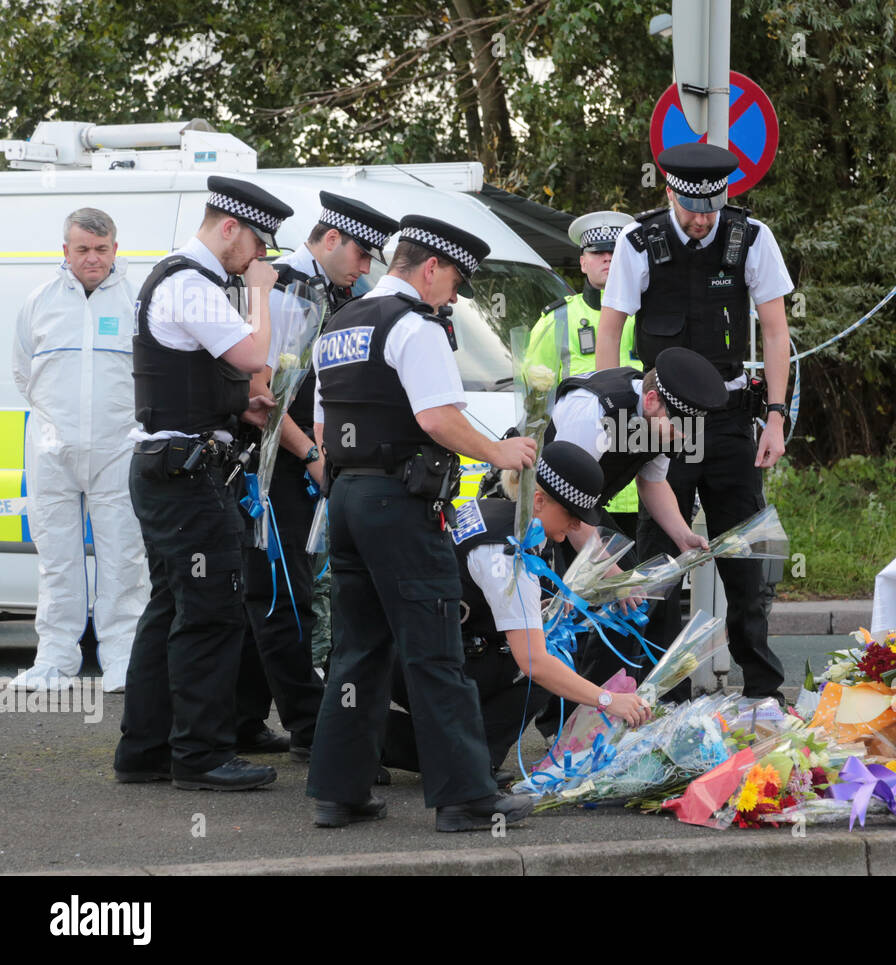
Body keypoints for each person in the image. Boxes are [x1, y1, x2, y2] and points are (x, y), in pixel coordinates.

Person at [308, 214, 538, 832]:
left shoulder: (340, 324)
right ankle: (466, 798)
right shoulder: (414, 325)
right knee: (436, 648)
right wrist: (501, 453)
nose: (456, 296)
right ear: (429, 267)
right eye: (455, 281)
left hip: (348, 497)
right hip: (401, 505)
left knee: (359, 648)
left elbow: (325, 430)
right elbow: (438, 418)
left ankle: (340, 791)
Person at [595, 143, 794, 701]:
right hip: (661, 425)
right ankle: (663, 697)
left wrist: (775, 417)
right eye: (692, 208)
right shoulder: (639, 241)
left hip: (732, 419)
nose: (703, 218)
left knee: (745, 561)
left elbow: (775, 331)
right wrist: (619, 413)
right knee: (659, 566)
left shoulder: (751, 238)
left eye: (712, 207)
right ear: (670, 194)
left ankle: (762, 691)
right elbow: (611, 330)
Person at [113, 176, 291, 791]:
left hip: (171, 468)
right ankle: (200, 755)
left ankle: (146, 749)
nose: (259, 259)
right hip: (185, 478)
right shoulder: (191, 283)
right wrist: (261, 297)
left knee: (171, 608)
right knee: (210, 612)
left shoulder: (178, 278)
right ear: (229, 228)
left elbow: (188, 377)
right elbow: (252, 359)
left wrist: (235, 407)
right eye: (258, 244)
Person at [380, 441, 654, 790]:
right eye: (571, 515)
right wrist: (608, 700)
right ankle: (392, 740)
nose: (575, 526)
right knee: (545, 663)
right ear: (539, 500)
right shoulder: (508, 553)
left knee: (544, 653)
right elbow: (533, 661)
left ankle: (470, 755)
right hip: (415, 662)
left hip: (416, 646)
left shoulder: (504, 516)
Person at [233, 191, 398, 759]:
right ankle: (311, 727)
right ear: (332, 240)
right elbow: (264, 393)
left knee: (273, 590)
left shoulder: (339, 293)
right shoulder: (280, 292)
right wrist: (312, 456)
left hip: (310, 458)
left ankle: (242, 718)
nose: (367, 267)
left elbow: (324, 388)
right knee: (283, 593)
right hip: (274, 461)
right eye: (361, 254)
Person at [9, 208, 147, 694]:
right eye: (83, 249)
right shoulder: (40, 302)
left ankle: (124, 657)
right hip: (52, 449)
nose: (93, 258)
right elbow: (25, 372)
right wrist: (59, 421)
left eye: (102, 248)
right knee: (57, 557)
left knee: (124, 557)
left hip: (118, 447)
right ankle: (55, 659)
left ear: (115, 248)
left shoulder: (135, 300)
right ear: (64, 251)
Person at [542, 347, 725, 696]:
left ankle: (601, 710)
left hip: (585, 508)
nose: (683, 437)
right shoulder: (594, 411)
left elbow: (652, 482)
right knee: (567, 618)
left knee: (628, 606)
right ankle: (563, 726)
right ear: (652, 399)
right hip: (550, 508)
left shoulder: (663, 420)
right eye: (678, 426)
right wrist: (615, 578)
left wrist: (682, 535)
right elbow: (565, 506)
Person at [523, 211, 640, 536]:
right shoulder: (556, 320)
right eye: (597, 253)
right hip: (573, 486)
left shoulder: (649, 318)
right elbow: (535, 405)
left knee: (637, 578)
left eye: (614, 252)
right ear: (583, 262)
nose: (606, 258)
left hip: (641, 479)